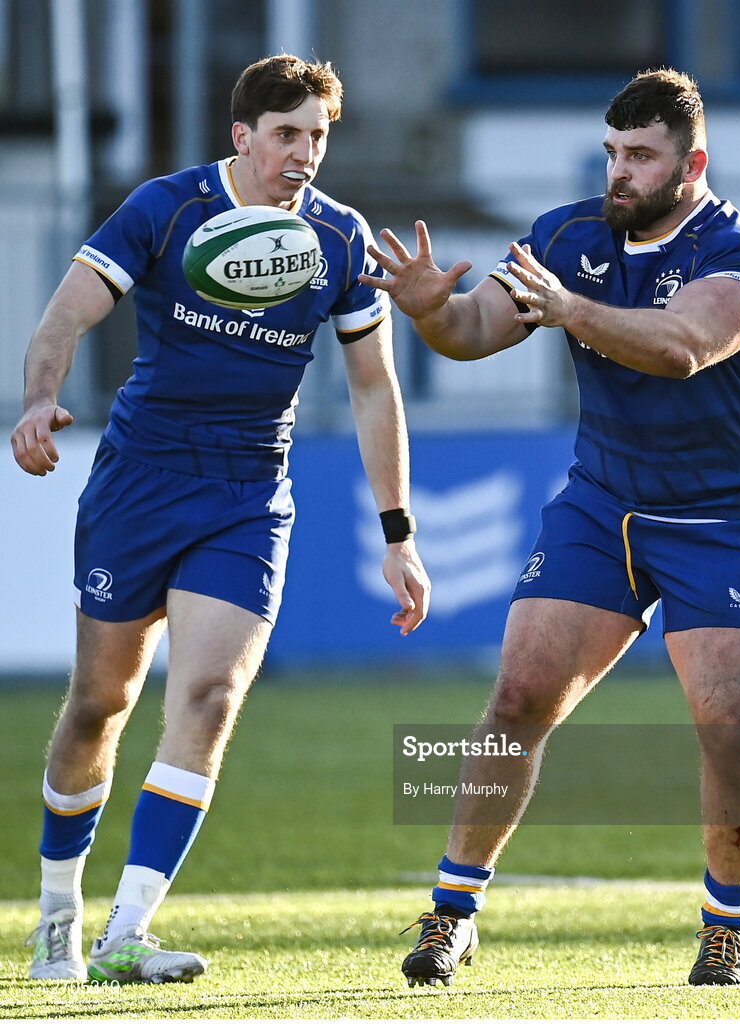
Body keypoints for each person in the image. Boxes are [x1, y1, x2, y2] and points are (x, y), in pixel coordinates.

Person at [362, 69, 740, 988]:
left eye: (641, 157)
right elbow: (476, 331)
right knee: (517, 697)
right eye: (612, 153)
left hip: (722, 519)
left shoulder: (736, 257)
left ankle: (725, 925)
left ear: (691, 164)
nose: (619, 173)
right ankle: (451, 914)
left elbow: (680, 347)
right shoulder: (568, 235)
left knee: (726, 728)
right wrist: (432, 308)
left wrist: (571, 310)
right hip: (602, 505)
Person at [13, 54, 430, 985]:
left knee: (206, 697)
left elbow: (373, 388)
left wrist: (398, 534)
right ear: (241, 137)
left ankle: (128, 932)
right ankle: (55, 918)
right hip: (139, 482)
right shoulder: (167, 208)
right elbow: (62, 318)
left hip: (247, 493)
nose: (304, 155)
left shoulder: (338, 237)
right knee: (100, 704)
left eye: (318, 137)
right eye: (286, 135)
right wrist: (39, 401)